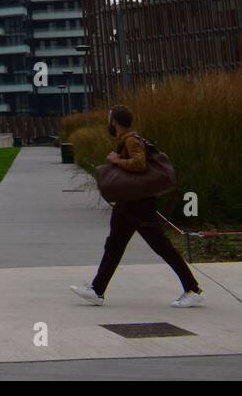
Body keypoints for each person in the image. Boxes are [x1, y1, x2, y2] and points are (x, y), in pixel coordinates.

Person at [71, 105, 203, 308]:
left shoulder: (131, 140)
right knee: (114, 245)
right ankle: (97, 290)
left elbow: (140, 164)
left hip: (138, 203)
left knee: (160, 245)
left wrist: (116, 161)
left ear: (114, 122)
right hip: (128, 202)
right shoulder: (127, 139)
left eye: (109, 120)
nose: (109, 124)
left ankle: (192, 289)